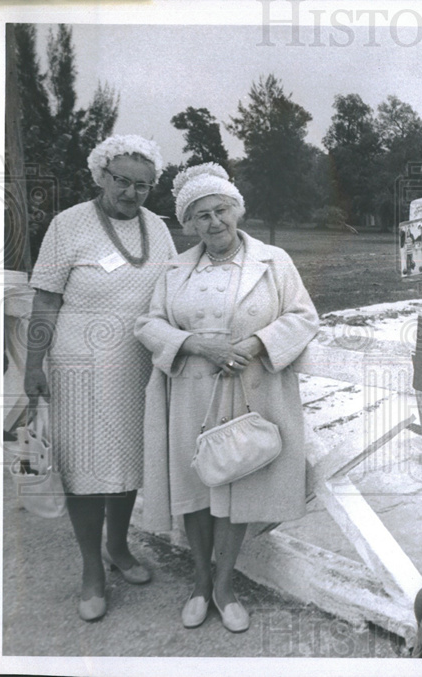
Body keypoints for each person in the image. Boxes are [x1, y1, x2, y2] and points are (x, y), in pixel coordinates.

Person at [134, 163, 319, 632]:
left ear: (236, 210)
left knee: (240, 483)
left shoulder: (274, 261)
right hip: (190, 391)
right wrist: (196, 344)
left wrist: (256, 344)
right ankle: (199, 581)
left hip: (250, 388)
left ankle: (224, 585)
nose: (214, 223)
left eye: (220, 211)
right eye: (201, 216)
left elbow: (303, 317)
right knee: (197, 487)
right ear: (188, 224)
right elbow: (149, 324)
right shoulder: (176, 268)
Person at [24, 135, 175, 622]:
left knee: (127, 461)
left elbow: (173, 289)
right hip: (80, 366)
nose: (132, 193)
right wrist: (33, 365)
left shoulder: (158, 227)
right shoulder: (67, 224)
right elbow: (45, 299)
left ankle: (119, 547)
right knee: (86, 465)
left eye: (144, 186)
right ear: (101, 175)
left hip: (139, 364)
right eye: (123, 181)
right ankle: (92, 568)